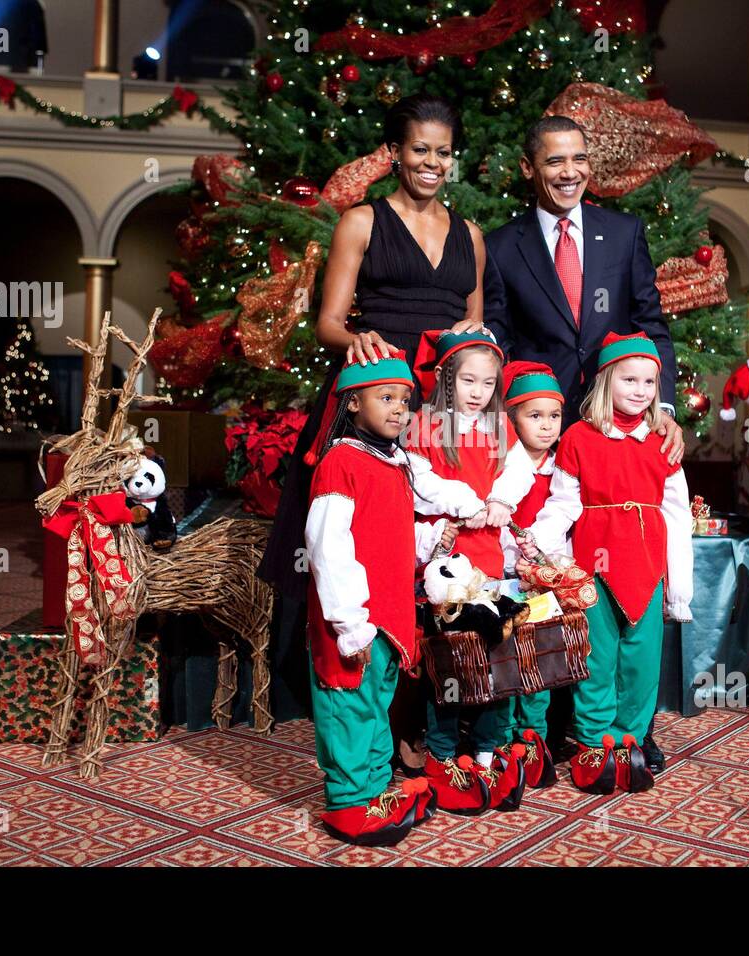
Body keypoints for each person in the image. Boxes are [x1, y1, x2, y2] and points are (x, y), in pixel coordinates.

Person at [256, 93, 489, 773]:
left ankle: (426, 722)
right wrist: (356, 339)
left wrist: (475, 347)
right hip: (377, 402)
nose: (432, 162)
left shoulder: (471, 236)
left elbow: (474, 328)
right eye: (419, 149)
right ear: (394, 153)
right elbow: (328, 323)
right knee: (373, 555)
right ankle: (372, 724)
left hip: (443, 411)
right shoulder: (361, 221)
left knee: (439, 558)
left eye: (443, 151)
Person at [482, 114, 685, 771]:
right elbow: (498, 336)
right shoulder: (503, 245)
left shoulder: (622, 232)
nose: (568, 172)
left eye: (578, 159)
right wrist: (514, 416)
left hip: (614, 426)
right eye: (554, 161)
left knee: (616, 581)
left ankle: (625, 729)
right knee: (545, 571)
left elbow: (650, 322)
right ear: (529, 168)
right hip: (539, 434)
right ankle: (542, 729)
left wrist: (661, 406)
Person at [521, 333, 694, 795]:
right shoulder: (578, 438)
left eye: (649, 382)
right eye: (629, 379)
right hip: (593, 566)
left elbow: (678, 514)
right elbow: (563, 503)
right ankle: (593, 741)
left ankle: (629, 738)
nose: (640, 390)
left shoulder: (662, 442)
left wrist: (679, 586)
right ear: (605, 380)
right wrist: (539, 547)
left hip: (647, 565)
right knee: (596, 656)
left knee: (641, 659)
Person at [302, 350, 452, 846]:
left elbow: (388, 532)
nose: (399, 409)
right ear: (352, 403)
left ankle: (372, 791)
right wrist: (349, 623)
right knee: (349, 706)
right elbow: (328, 548)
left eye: (404, 400)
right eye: (386, 398)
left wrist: (430, 540)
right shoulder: (340, 462)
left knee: (376, 705)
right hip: (356, 618)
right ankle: (348, 803)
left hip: (388, 614)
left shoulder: (394, 463)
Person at [407, 329, 536, 814]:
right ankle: (442, 754)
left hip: (491, 560)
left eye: (488, 382)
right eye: (468, 381)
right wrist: (467, 502)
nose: (478, 391)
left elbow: (520, 471)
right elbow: (420, 480)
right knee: (451, 663)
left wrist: (500, 500)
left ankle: (487, 749)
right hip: (449, 563)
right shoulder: (425, 425)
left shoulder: (500, 427)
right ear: (447, 379)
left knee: (495, 663)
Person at [497, 360, 568, 790]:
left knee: (540, 659)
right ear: (512, 418)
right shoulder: (503, 465)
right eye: (534, 415)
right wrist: (513, 557)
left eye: (554, 415)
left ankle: (534, 736)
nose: (546, 425)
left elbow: (566, 517)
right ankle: (505, 741)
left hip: (543, 578)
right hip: (506, 576)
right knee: (507, 659)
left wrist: (543, 559)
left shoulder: (562, 467)